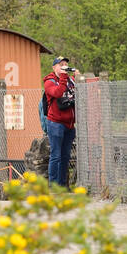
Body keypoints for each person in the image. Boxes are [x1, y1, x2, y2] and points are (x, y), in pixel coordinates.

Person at [42, 56, 77, 187]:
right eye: (60, 64)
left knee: (65, 157)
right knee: (56, 156)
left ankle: (63, 186)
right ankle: (53, 186)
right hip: (56, 123)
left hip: (70, 125)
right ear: (54, 67)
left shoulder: (71, 81)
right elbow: (57, 93)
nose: (63, 66)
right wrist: (63, 78)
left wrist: (77, 78)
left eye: (65, 64)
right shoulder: (49, 81)